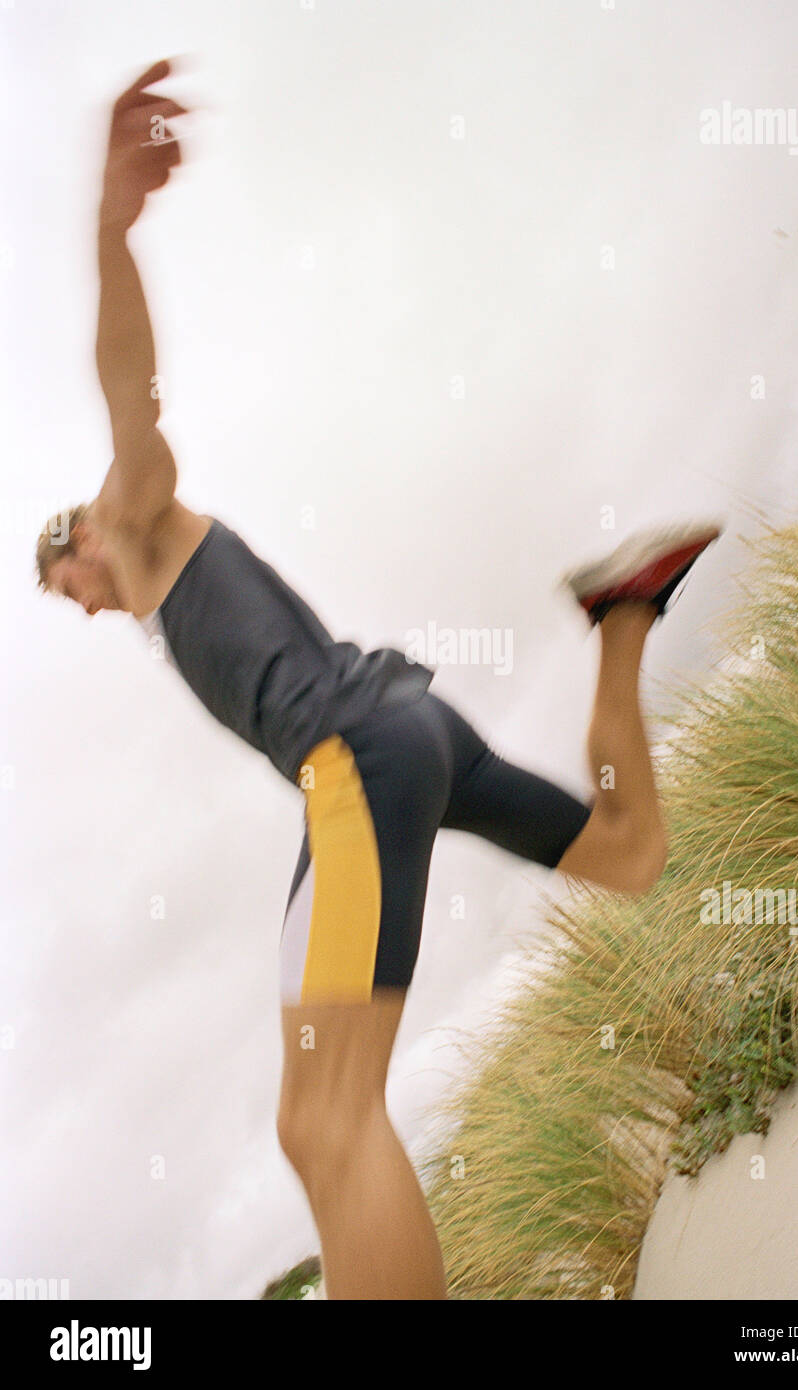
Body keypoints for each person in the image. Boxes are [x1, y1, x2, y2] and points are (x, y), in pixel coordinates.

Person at [35, 59, 722, 1300]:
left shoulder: (132, 522)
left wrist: (110, 229)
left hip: (351, 752)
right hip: (416, 734)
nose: (79, 602)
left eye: (63, 580)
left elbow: (130, 398)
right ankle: (623, 616)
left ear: (83, 537)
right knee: (627, 854)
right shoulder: (148, 571)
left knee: (324, 1121)